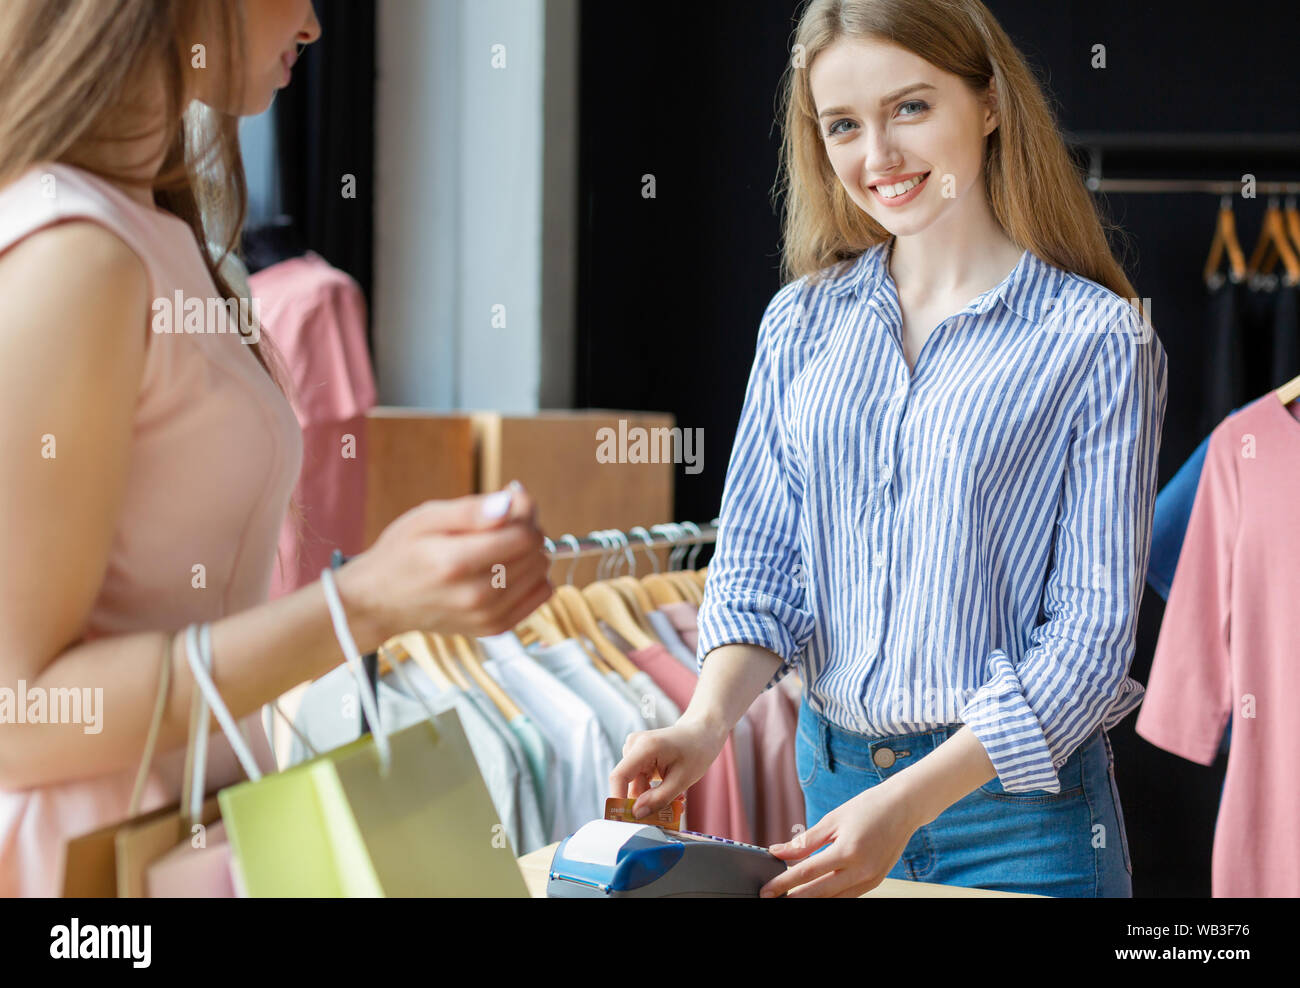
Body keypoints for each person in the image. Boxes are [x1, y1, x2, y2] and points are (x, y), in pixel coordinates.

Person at [612, 0, 1167, 898]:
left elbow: (1090, 644)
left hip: (1019, 826)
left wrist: (907, 802)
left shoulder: (1099, 338)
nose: (879, 158)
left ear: (988, 103)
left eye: (910, 108)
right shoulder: (800, 323)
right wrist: (705, 723)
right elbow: (760, 569)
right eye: (844, 125)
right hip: (833, 793)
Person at [0, 0, 553, 897]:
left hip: (177, 839)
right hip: (84, 872)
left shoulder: (153, 232)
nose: (314, 26)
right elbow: (17, 715)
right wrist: (364, 604)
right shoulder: (75, 252)